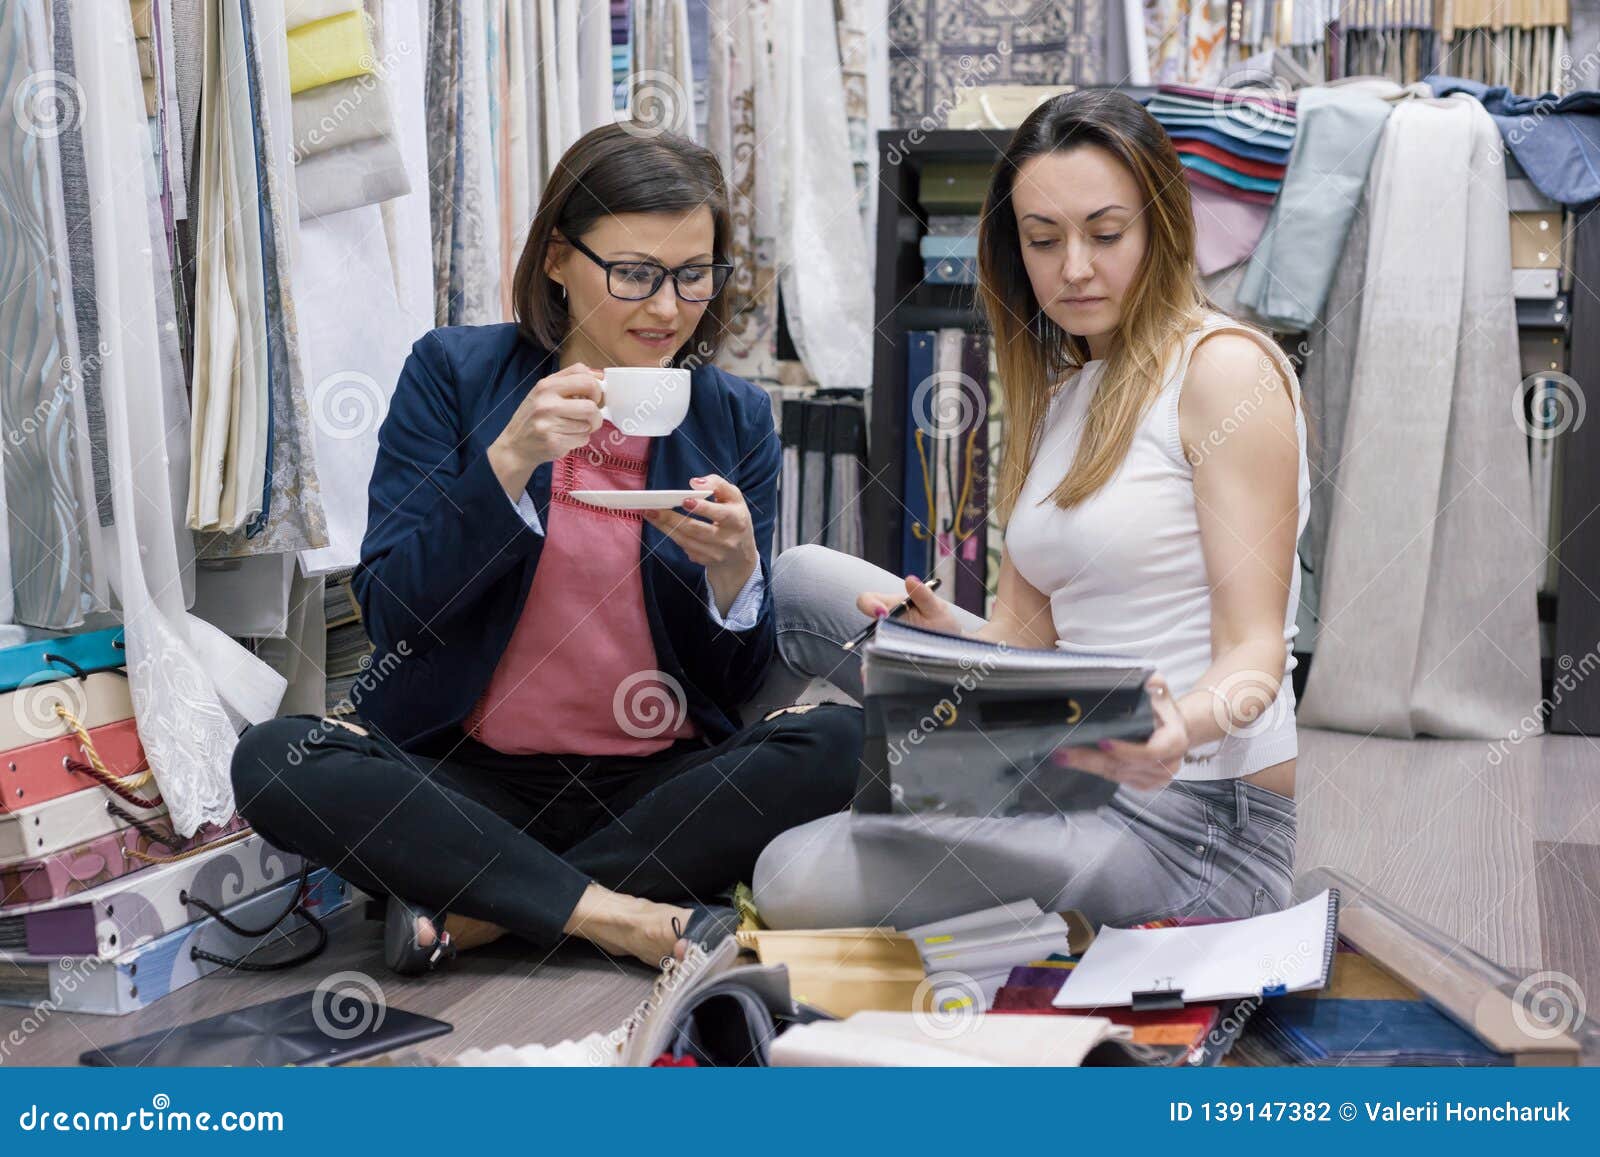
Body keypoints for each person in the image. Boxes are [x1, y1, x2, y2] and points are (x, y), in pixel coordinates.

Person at [231, 124, 861, 976]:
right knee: (274, 761)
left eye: (693, 275)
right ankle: (619, 914)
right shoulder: (454, 375)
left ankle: (491, 908)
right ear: (560, 259)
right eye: (636, 273)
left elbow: (735, 686)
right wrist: (507, 463)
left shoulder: (732, 416)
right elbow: (393, 615)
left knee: (849, 742)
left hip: (654, 786)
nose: (669, 308)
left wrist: (734, 574)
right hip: (467, 782)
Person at [751, 89, 1306, 932]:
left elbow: (1257, 653)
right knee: (798, 579)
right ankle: (732, 779)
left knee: (787, 873)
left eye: (1105, 233)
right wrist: (942, 633)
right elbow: (1025, 641)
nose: (1074, 267)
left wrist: (1177, 726)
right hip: (1059, 762)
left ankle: (835, 798)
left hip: (1193, 828)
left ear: (1161, 227)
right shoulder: (1060, 396)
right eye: (1044, 241)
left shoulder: (1224, 372)